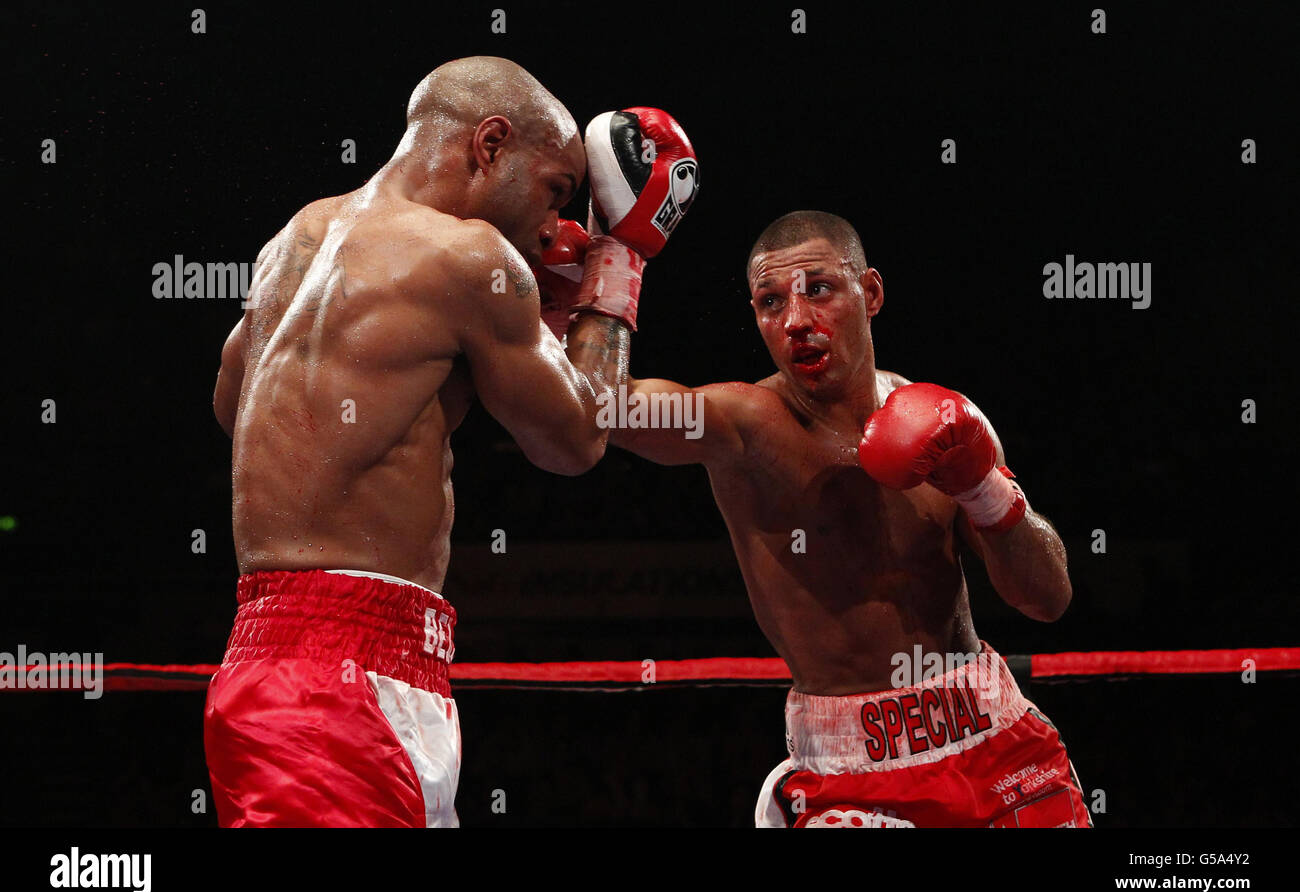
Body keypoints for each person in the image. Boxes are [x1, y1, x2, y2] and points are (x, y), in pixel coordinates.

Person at [204, 55, 696, 826]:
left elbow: (235, 406)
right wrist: (618, 267)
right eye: (556, 191)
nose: (549, 227)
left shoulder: (295, 237)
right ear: (490, 143)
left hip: (275, 666)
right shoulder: (469, 258)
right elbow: (577, 441)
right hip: (344, 684)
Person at [609, 211, 1089, 827]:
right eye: (770, 301)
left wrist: (983, 487)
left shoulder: (941, 420)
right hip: (852, 774)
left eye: (819, 290)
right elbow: (597, 409)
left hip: (997, 738)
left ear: (871, 293)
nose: (796, 322)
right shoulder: (743, 424)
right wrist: (611, 261)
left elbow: (1048, 598)